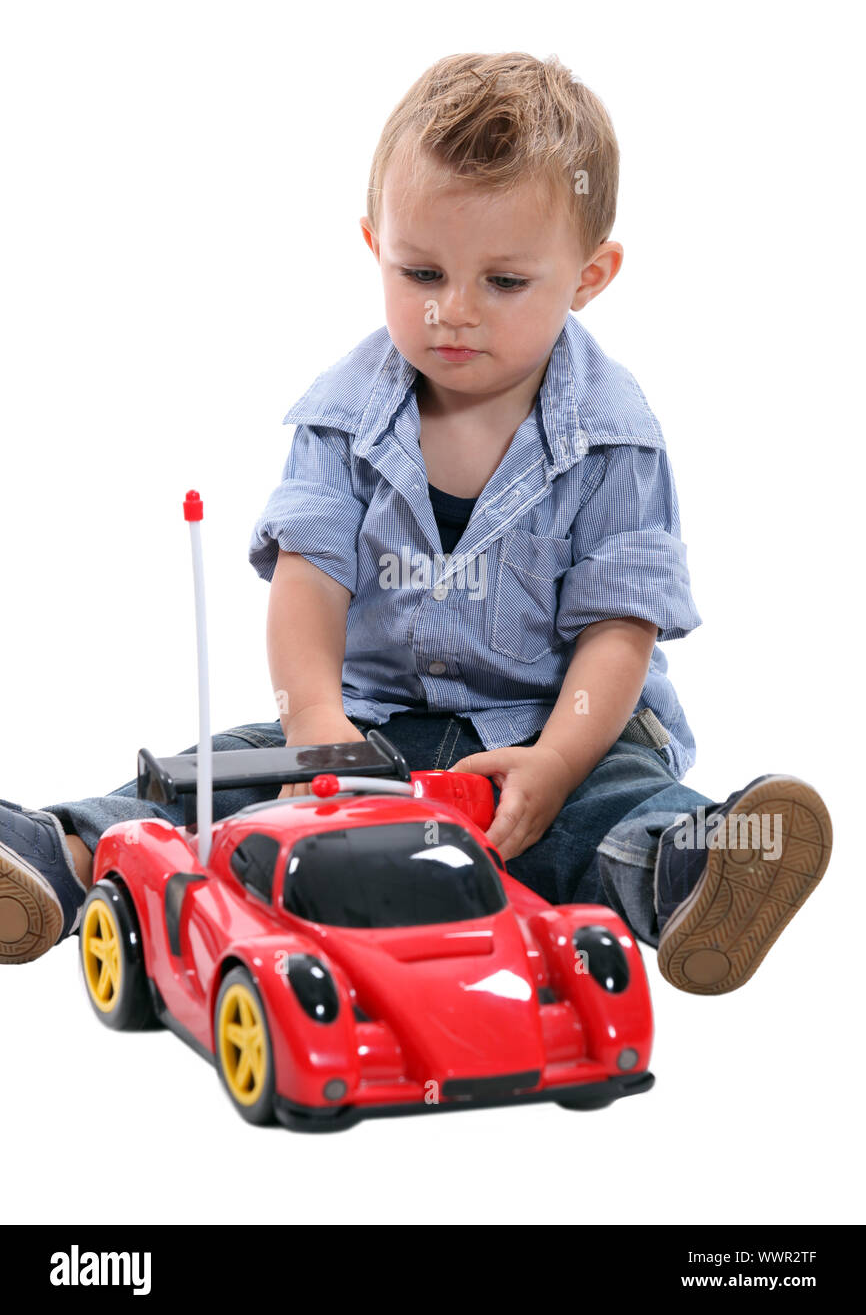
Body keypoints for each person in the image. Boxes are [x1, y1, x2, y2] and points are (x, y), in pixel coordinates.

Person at [1, 52, 831, 995]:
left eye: (506, 282)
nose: (453, 311)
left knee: (607, 809)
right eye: (422, 270)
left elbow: (617, 628)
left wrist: (557, 760)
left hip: (549, 729)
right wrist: (315, 727)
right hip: (367, 729)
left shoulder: (615, 436)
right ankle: (59, 855)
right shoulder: (342, 415)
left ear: (590, 275)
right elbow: (309, 583)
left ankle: (687, 873)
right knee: (206, 780)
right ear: (373, 246)